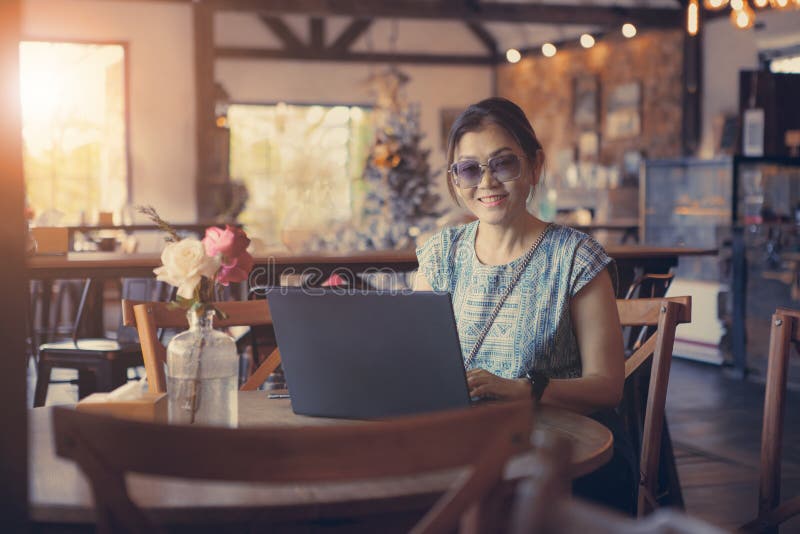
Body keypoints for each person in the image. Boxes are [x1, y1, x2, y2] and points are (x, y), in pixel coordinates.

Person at [414, 97, 636, 514]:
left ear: (534, 166)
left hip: (565, 460)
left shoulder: (576, 258)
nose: (486, 182)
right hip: (467, 449)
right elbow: (419, 366)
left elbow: (608, 386)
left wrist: (524, 390)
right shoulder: (440, 255)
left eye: (503, 164)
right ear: (454, 180)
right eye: (469, 169)